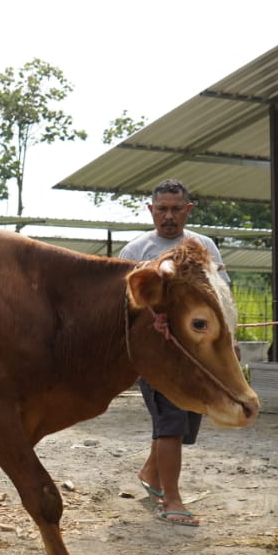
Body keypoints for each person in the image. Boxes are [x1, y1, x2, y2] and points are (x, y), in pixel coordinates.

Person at [119, 179, 234, 526]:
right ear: (150, 210)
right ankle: (172, 499)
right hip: (158, 357)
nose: (168, 216)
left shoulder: (204, 246)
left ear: (188, 210)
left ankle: (151, 474)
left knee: (185, 423)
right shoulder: (135, 251)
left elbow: (220, 295)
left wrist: (230, 342)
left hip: (196, 355)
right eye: (162, 209)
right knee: (170, 424)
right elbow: (121, 308)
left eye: (176, 209)